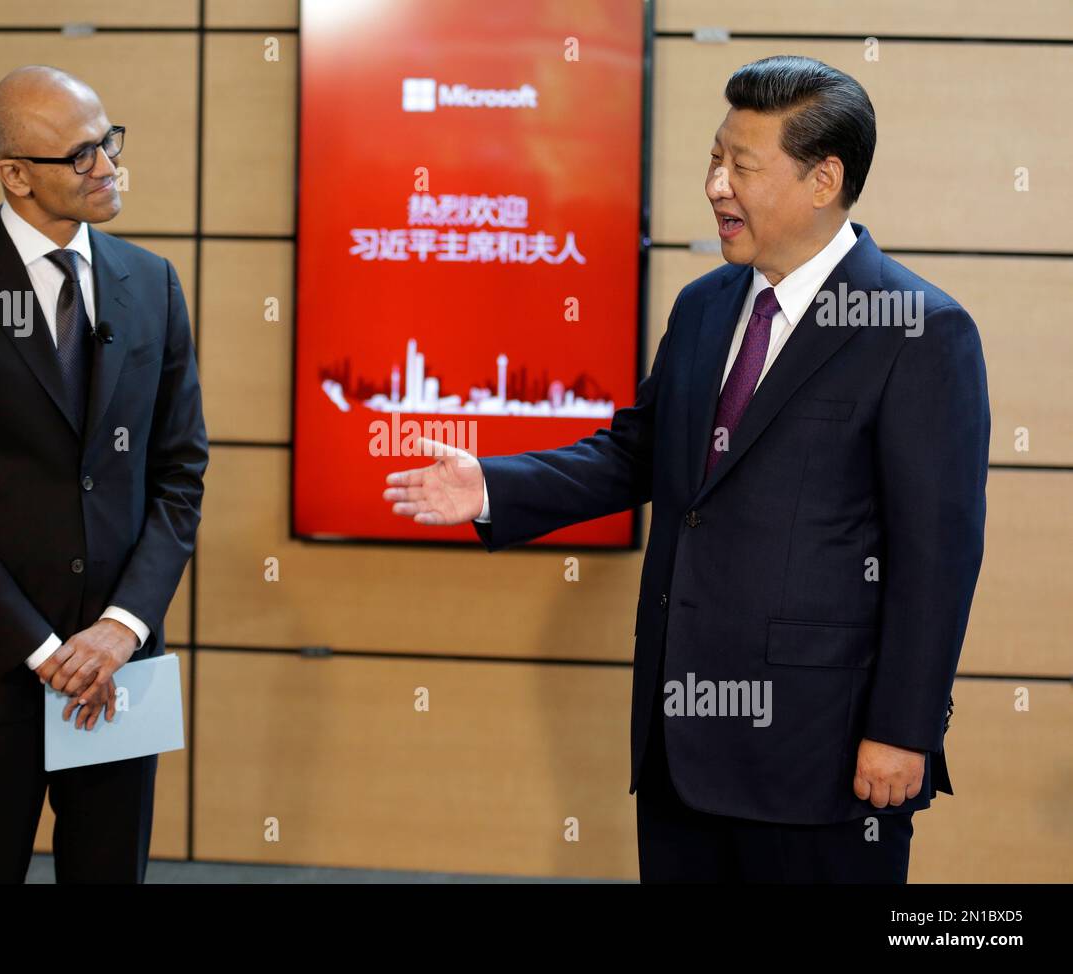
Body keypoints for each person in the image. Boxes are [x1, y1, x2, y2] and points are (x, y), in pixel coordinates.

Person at [383, 55, 988, 883]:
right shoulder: (706, 305)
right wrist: (494, 486)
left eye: (742, 165)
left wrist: (904, 727)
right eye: (714, 157)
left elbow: (937, 556)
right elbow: (639, 453)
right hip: (680, 743)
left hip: (824, 757)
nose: (715, 185)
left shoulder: (919, 330)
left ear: (824, 180)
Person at [0, 65, 209, 883]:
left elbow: (180, 471)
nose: (108, 167)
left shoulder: (153, 283)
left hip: (120, 669)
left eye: (110, 141)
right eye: (82, 154)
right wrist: (46, 651)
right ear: (16, 175)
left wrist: (121, 628)